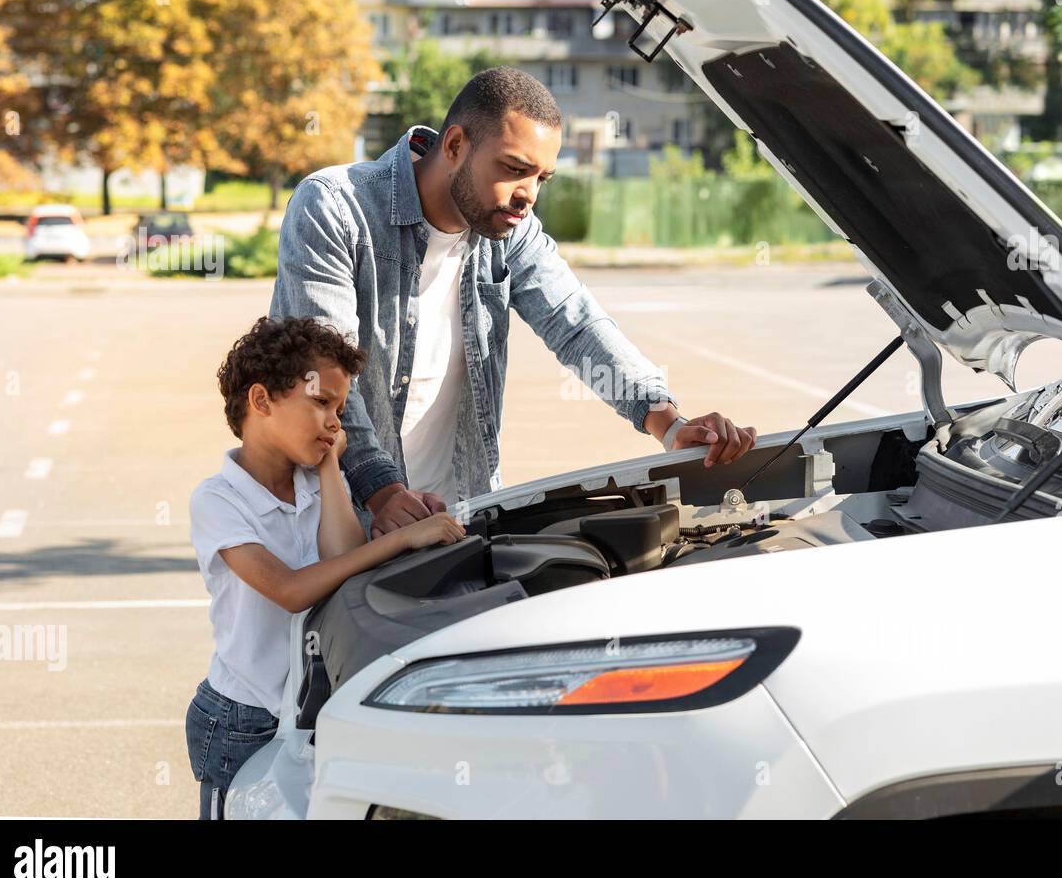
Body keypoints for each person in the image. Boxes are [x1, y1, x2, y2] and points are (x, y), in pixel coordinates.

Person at [270, 66, 758, 540]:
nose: (528, 196)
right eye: (514, 169)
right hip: (338, 521)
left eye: (542, 178)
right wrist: (382, 492)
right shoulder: (335, 207)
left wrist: (669, 423)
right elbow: (325, 374)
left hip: (456, 522)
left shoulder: (509, 229)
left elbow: (576, 325)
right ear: (456, 146)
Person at [184, 315, 465, 819]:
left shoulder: (315, 482)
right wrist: (402, 538)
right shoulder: (218, 500)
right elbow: (291, 590)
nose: (336, 421)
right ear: (262, 401)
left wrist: (331, 465)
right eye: (320, 403)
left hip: (309, 709)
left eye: (339, 407)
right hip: (240, 716)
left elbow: (342, 565)